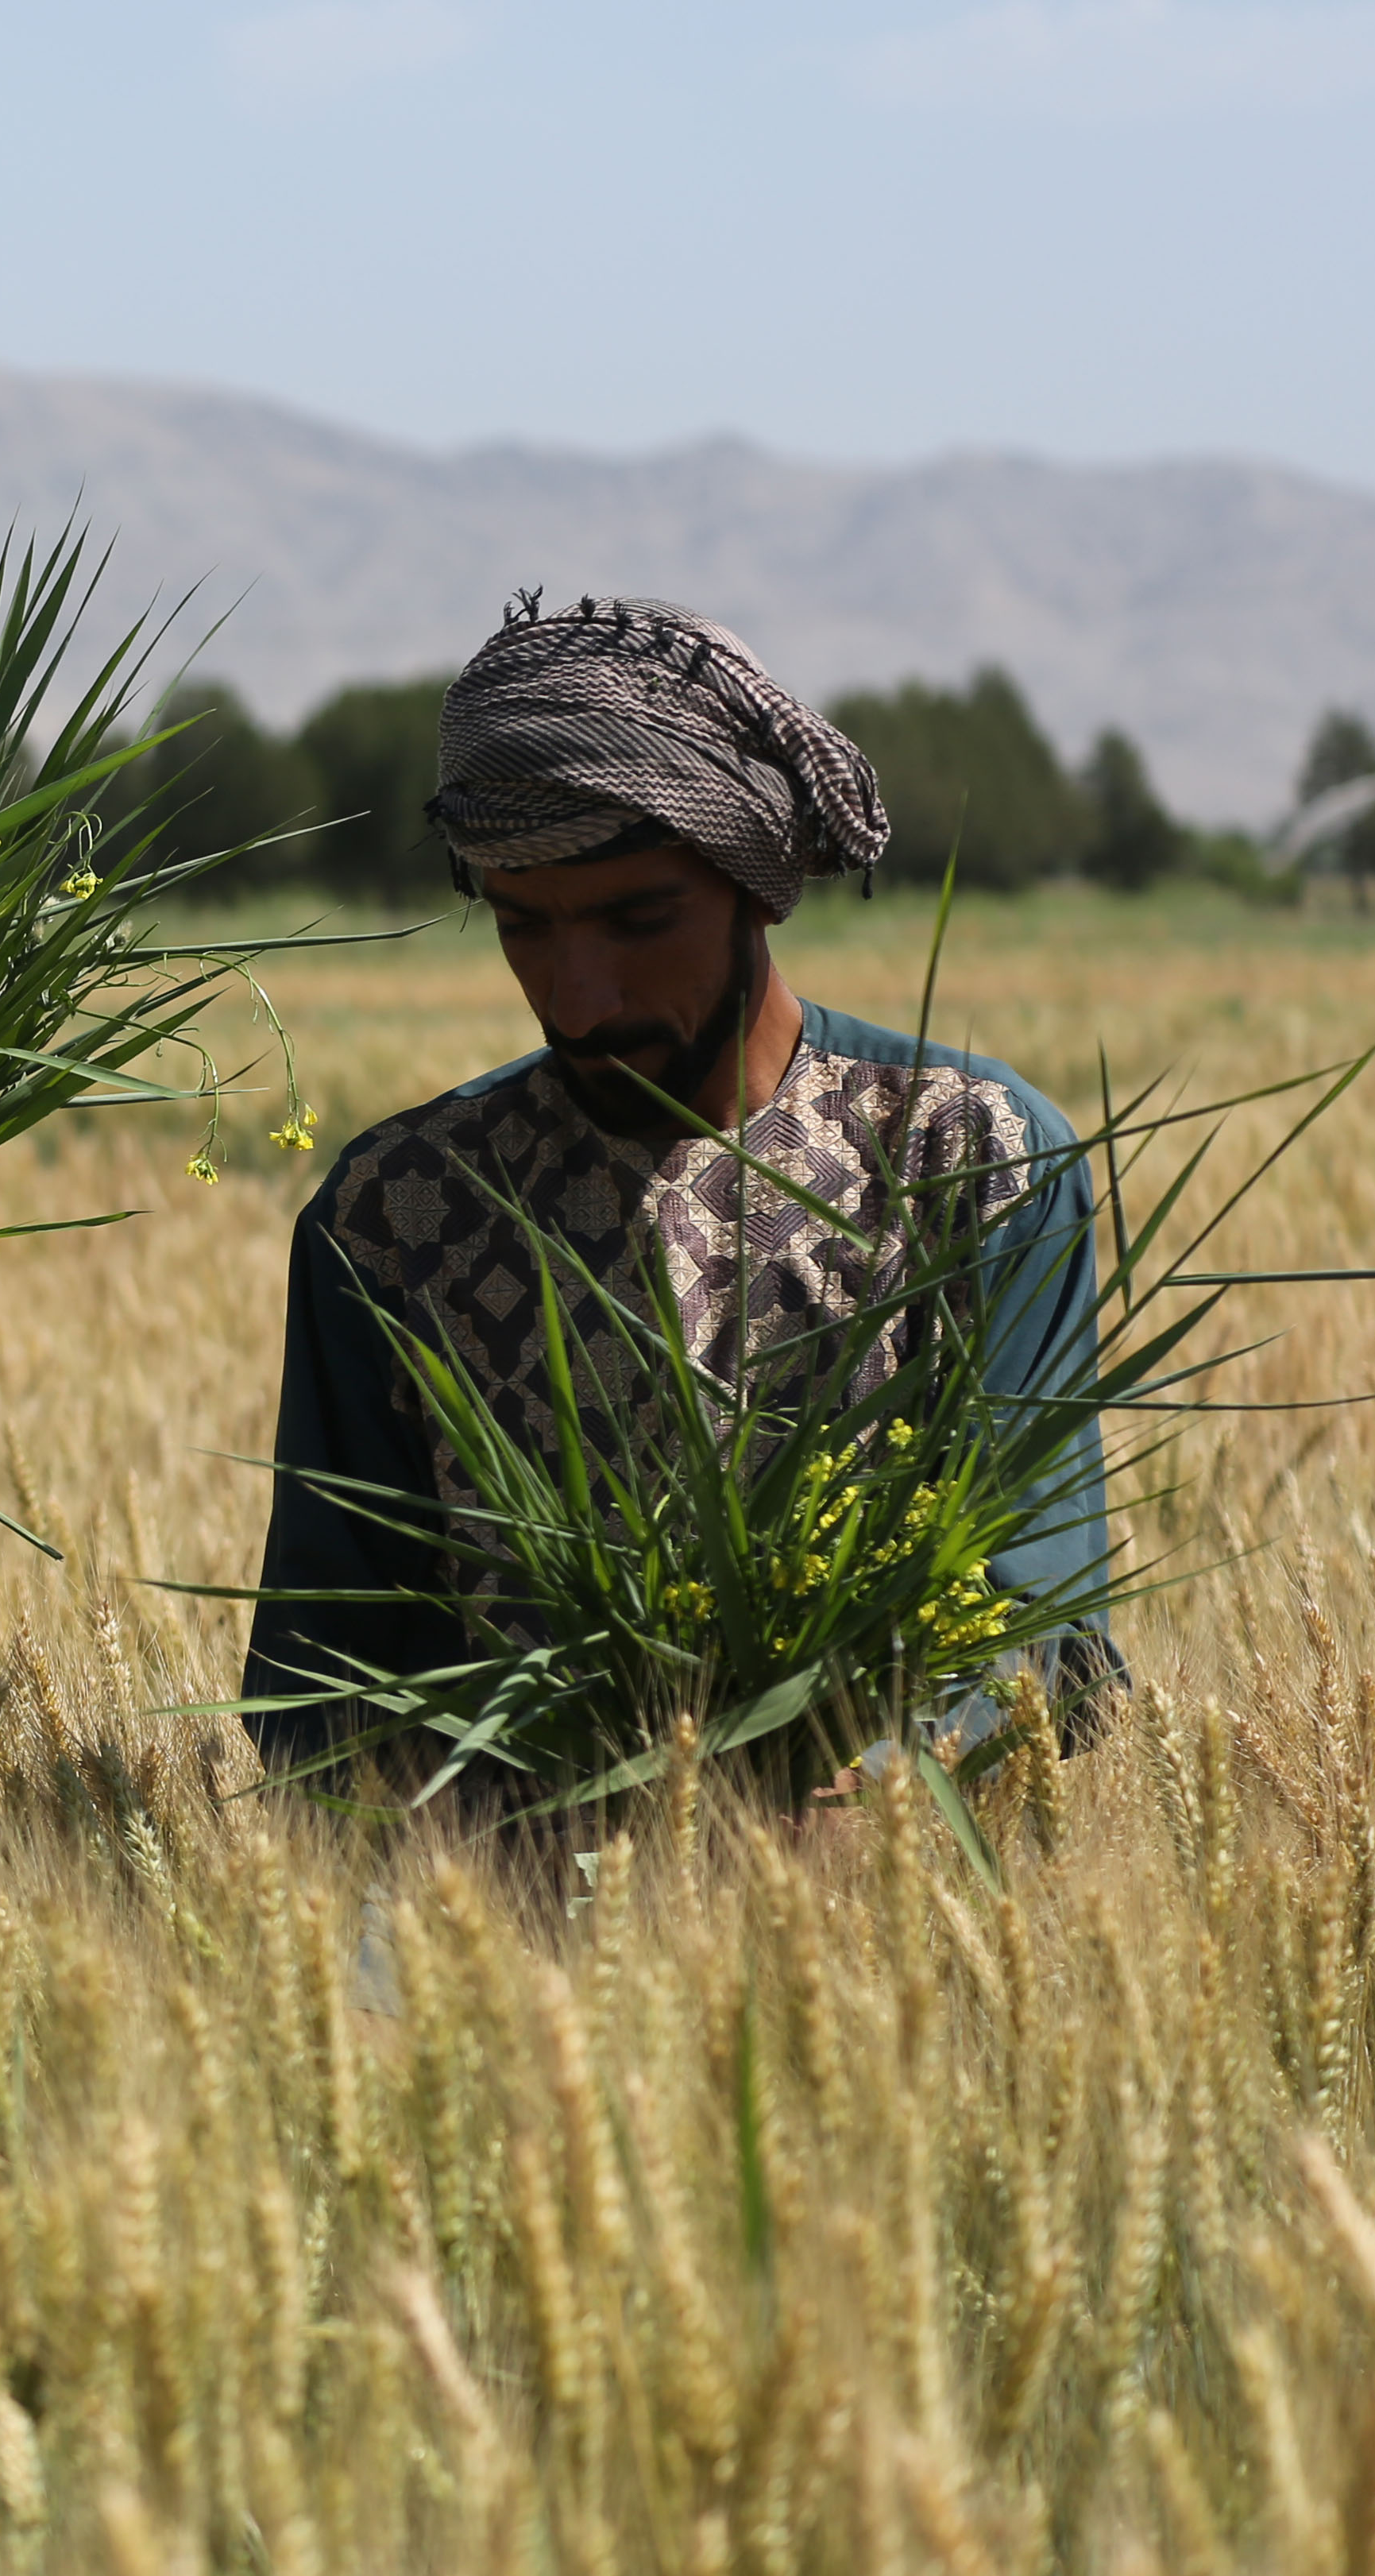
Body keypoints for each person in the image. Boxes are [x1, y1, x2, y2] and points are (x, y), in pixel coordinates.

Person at [236, 595, 1113, 1779]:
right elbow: (323, 1696)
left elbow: (1039, 1636)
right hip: (493, 1887)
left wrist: (870, 1807)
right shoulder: (399, 1214)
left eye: (639, 919)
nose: (578, 997)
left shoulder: (968, 1159)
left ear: (756, 879)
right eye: (522, 925)